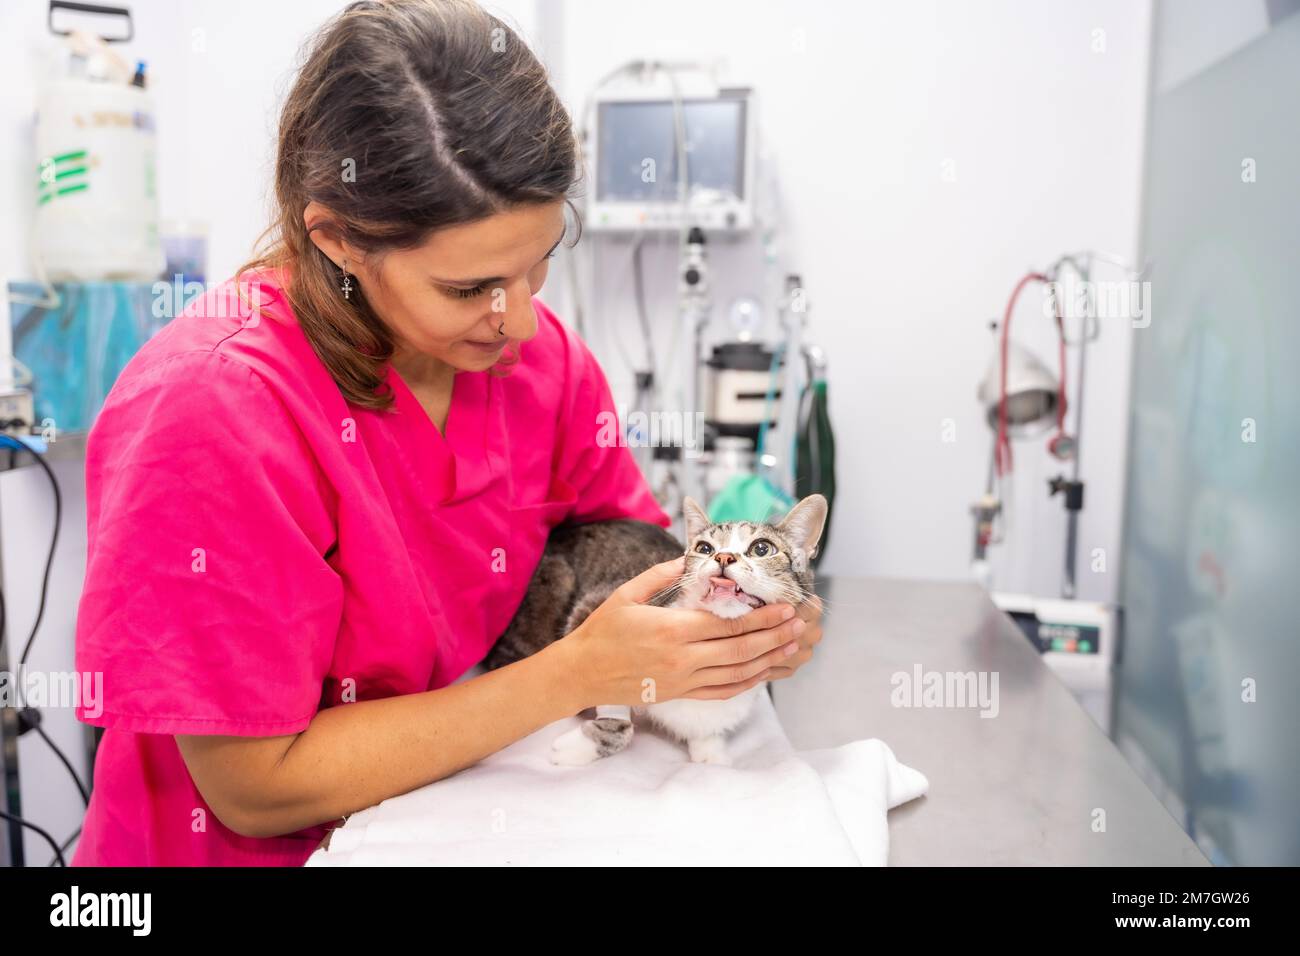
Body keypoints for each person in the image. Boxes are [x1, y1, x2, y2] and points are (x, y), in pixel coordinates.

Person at [72, 0, 821, 866]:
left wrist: (736, 636)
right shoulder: (214, 411)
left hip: (444, 823)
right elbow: (257, 788)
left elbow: (639, 571)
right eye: (470, 288)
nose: (520, 321)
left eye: (538, 265)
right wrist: (577, 673)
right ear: (340, 239)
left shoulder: (544, 368)